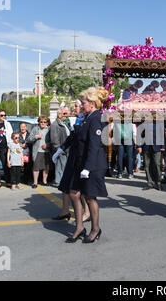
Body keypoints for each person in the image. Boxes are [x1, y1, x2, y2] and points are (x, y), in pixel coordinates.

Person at [58, 87, 109, 244]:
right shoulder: (86, 117)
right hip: (80, 162)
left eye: (84, 102)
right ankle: (79, 227)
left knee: (89, 196)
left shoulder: (96, 118)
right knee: (74, 193)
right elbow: (76, 137)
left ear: (92, 104)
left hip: (92, 164)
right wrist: (62, 148)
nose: (82, 104)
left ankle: (95, 228)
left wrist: (87, 167)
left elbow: (94, 145)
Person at [53, 99, 90, 223]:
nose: (74, 108)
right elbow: (71, 137)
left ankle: (87, 212)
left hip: (81, 157)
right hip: (72, 155)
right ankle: (65, 211)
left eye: (76, 106)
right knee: (65, 184)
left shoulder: (87, 119)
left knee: (81, 187)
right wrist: (60, 149)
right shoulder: (77, 119)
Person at [138, 121, 165, 191]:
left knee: (157, 165)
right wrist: (139, 146)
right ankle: (150, 183)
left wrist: (163, 146)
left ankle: (158, 182)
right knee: (147, 166)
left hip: (157, 147)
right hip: (146, 147)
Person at [50, 107, 72, 187]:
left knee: (65, 166)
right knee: (60, 166)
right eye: (65, 114)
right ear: (59, 114)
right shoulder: (55, 125)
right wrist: (57, 149)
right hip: (61, 149)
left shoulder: (64, 123)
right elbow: (54, 139)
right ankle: (58, 182)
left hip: (67, 148)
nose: (66, 116)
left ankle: (63, 181)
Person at [28, 116, 51, 188]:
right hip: (37, 151)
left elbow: (53, 140)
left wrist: (47, 145)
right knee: (36, 167)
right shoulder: (35, 129)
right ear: (39, 122)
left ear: (47, 123)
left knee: (46, 167)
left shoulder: (49, 130)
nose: (43, 123)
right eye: (41, 122)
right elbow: (29, 139)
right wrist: (36, 137)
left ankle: (44, 181)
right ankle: (35, 182)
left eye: (44, 122)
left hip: (46, 151)